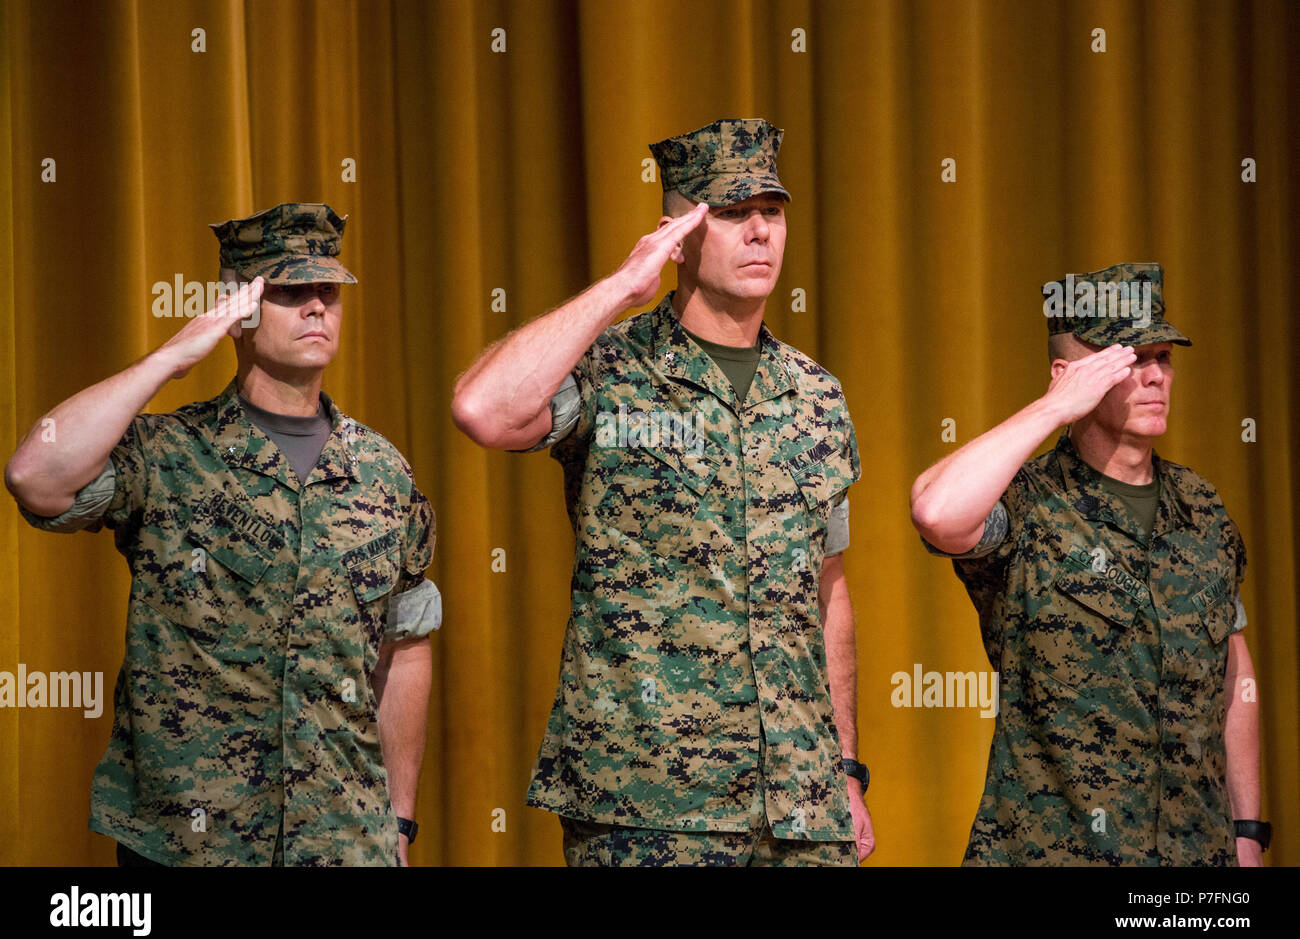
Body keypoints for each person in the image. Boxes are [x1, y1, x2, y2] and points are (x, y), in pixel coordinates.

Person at [453, 118, 873, 866]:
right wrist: (620, 287)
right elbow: (485, 410)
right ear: (679, 232)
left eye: (770, 213)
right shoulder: (610, 372)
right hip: (648, 801)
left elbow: (829, 587)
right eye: (732, 213)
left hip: (800, 806)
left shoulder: (814, 395)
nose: (758, 234)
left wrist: (843, 768)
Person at [4, 202, 441, 866]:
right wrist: (172, 358)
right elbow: (37, 477)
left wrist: (398, 824)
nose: (318, 307)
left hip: (341, 841)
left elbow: (404, 649)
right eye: (291, 291)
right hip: (190, 844)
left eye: (329, 291)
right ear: (238, 310)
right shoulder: (169, 453)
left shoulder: (382, 473)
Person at [910, 262, 1267, 865]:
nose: (1155, 377)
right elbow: (937, 512)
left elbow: (1233, 674)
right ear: (1069, 376)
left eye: (1164, 357)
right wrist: (1053, 410)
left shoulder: (1201, 508)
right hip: (1054, 852)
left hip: (1194, 861)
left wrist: (1248, 831)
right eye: (1131, 360)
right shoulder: (1027, 504)